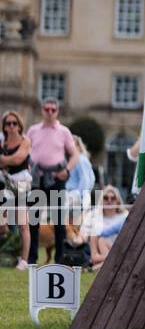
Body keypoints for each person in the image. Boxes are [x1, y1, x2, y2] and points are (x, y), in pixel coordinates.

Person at [25, 98, 80, 266]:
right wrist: (28, 169)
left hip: (56, 178)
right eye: (46, 109)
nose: (49, 112)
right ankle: (31, 259)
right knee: (33, 221)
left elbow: (75, 154)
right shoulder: (33, 130)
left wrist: (67, 170)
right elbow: (26, 151)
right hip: (37, 179)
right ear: (42, 110)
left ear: (57, 112)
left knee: (58, 221)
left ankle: (59, 259)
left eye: (53, 110)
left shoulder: (64, 131)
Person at [1, 110, 34, 270]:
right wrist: (8, 161)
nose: (12, 126)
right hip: (6, 184)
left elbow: (18, 158)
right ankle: (9, 250)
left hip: (22, 185)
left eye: (14, 123)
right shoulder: (3, 143)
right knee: (2, 222)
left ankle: (24, 260)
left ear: (19, 125)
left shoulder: (25, 141)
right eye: (8, 123)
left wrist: (4, 160)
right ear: (5, 127)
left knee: (23, 224)